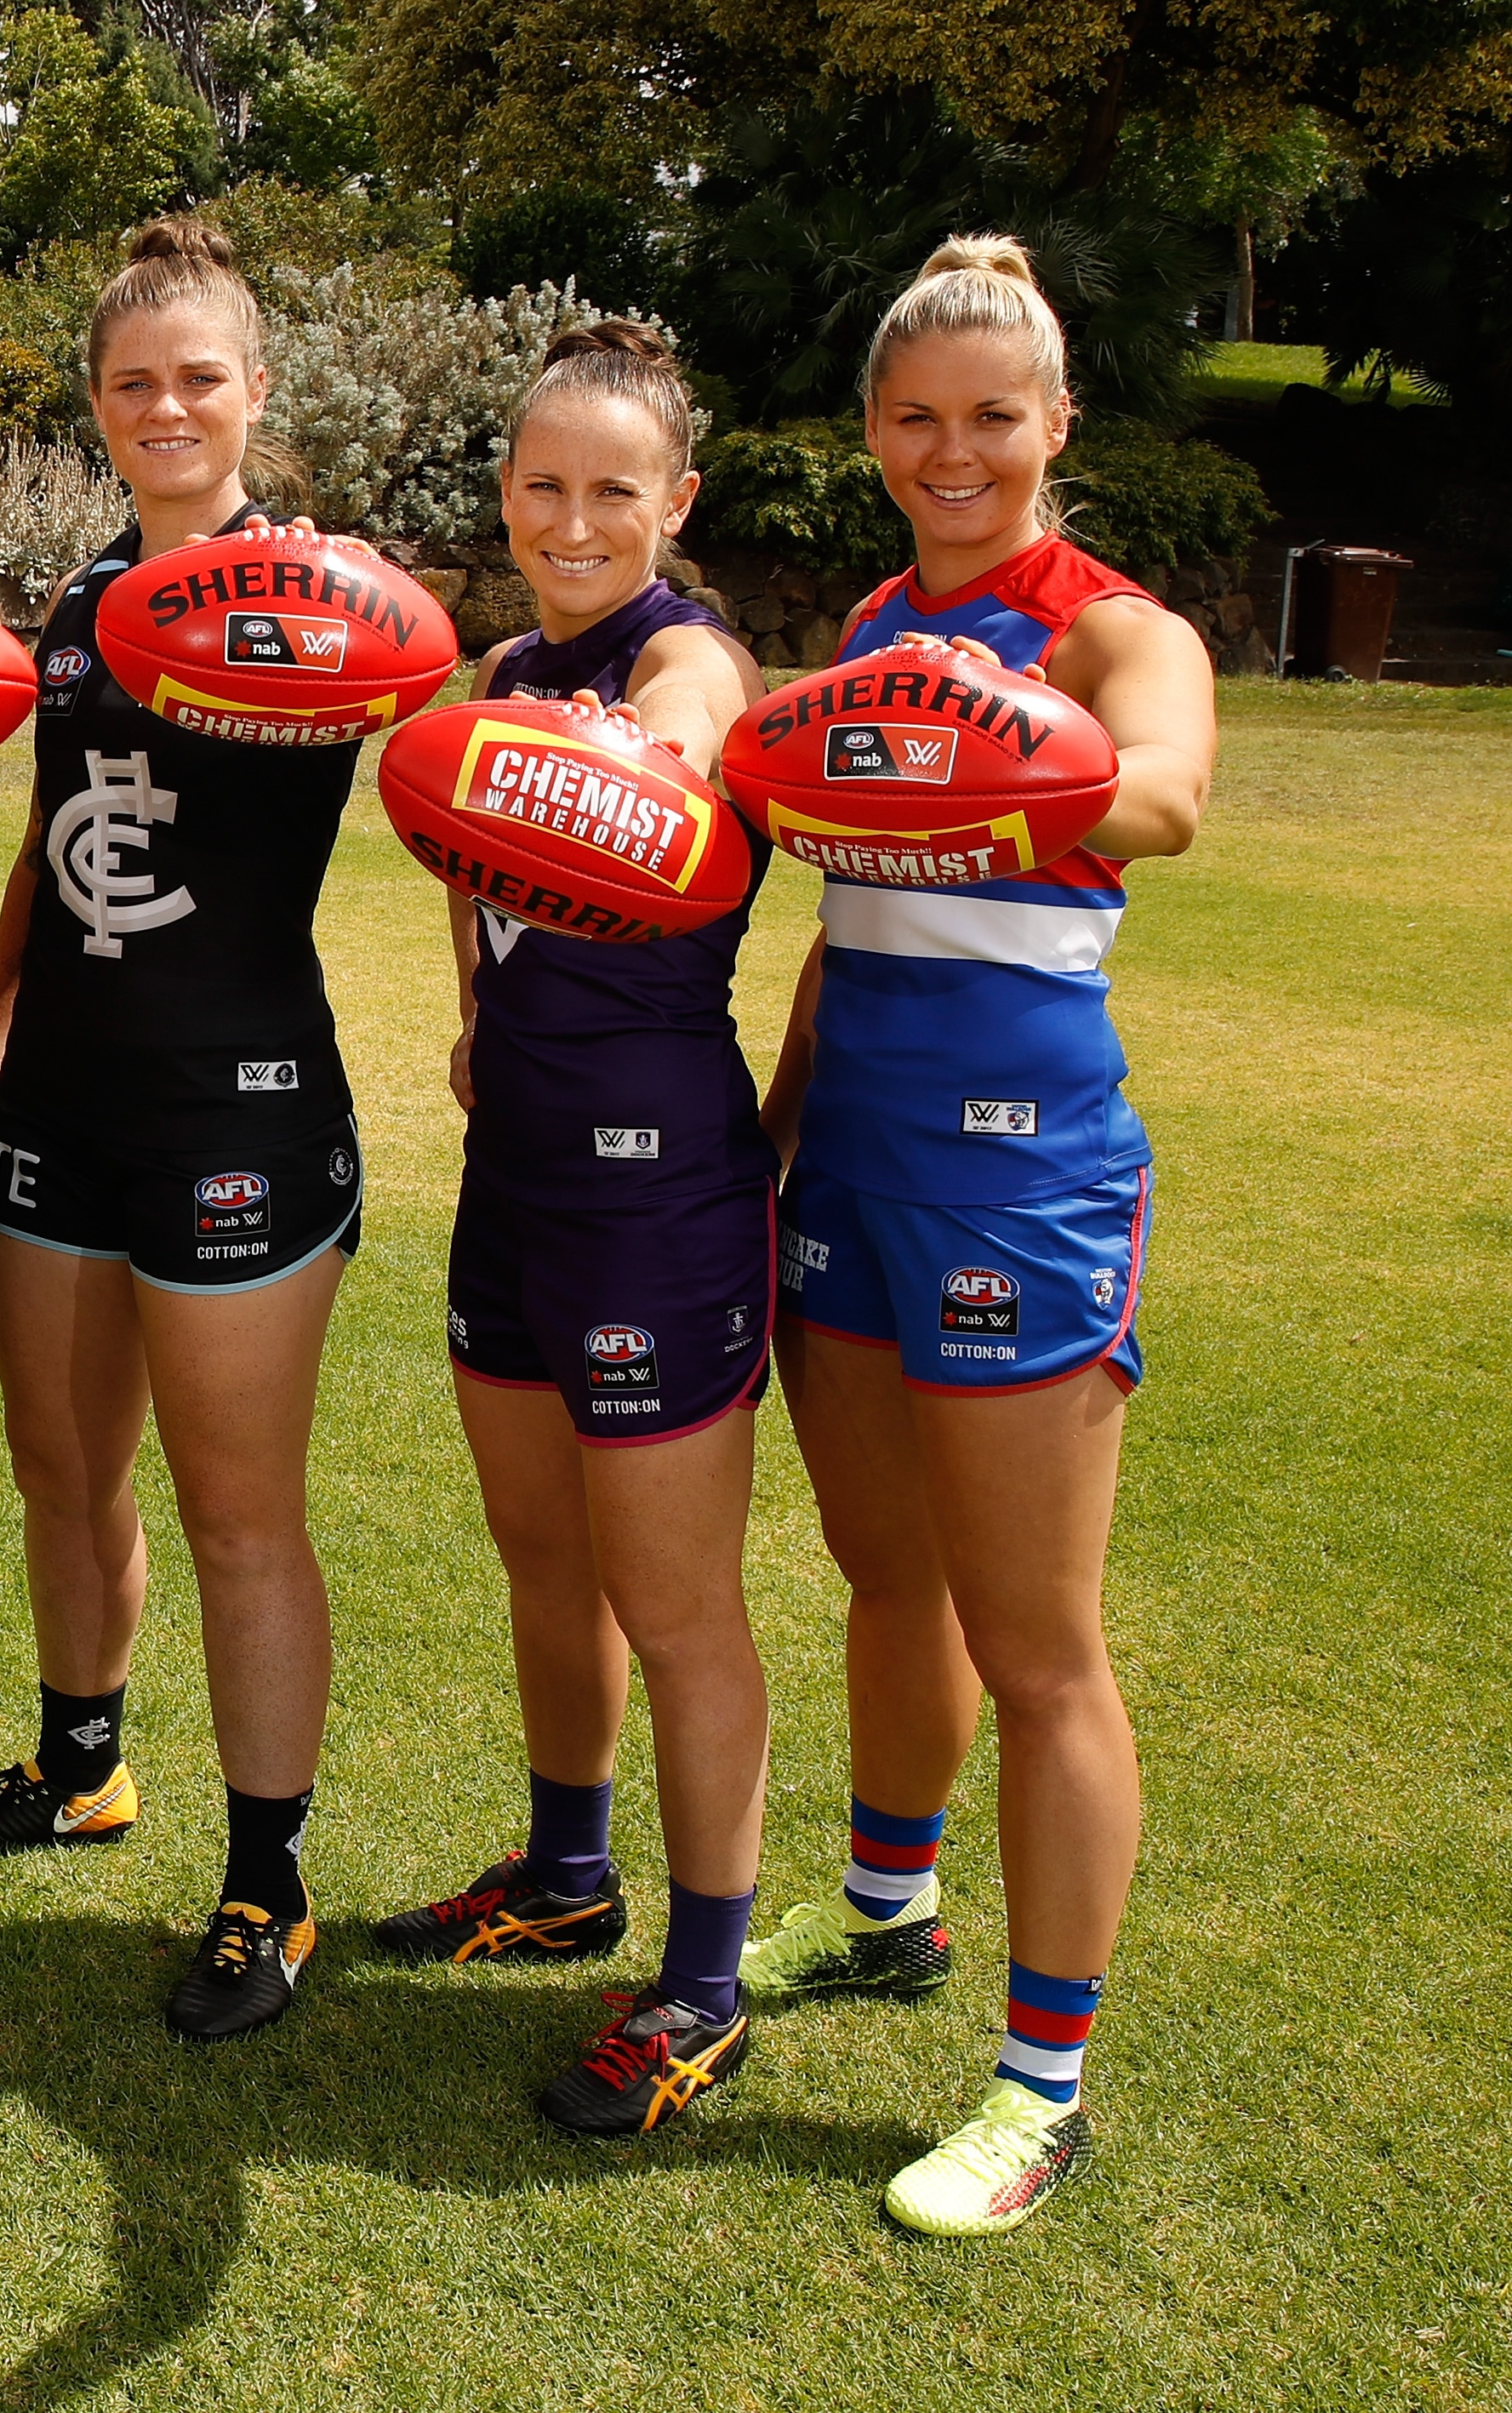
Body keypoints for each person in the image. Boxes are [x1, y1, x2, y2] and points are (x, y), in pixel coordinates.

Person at [745, 237, 1212, 2235]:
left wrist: (997, 735)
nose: (957, 452)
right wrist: (774, 1127)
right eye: (919, 419)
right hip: (849, 1151)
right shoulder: (870, 623)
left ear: (1057, 422)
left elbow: (1166, 799)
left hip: (1021, 1173)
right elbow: (844, 919)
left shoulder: (1113, 628)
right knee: (886, 1573)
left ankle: (1043, 2087)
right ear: (875, 431)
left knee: (1038, 1644)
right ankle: (887, 1904)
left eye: (994, 419)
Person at [0, 219, 361, 2043]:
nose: (166, 407)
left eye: (199, 377)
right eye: (133, 382)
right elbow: (55, 847)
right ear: (98, 405)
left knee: (237, 1515)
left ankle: (269, 1885)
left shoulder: (323, 598)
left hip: (238, 1106)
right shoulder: (78, 600)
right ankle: (82, 1762)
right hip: (63, 1094)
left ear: (253, 391)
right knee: (59, 1462)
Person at [361, 322, 779, 2135]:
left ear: (675, 498)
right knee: (542, 1556)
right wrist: (474, 1011)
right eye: (544, 485)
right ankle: (564, 1871)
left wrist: (605, 748)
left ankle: (704, 1983)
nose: (575, 519)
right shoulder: (506, 665)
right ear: (507, 491)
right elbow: (470, 855)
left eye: (615, 488)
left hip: (653, 1186)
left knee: (674, 1605)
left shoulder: (689, 657)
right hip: (519, 1171)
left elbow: (662, 763)